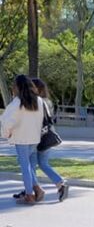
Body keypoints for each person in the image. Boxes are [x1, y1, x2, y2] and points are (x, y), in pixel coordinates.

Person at [0, 75, 45, 205]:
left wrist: (6, 134)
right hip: (34, 138)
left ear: (18, 87)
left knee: (25, 167)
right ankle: (37, 189)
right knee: (29, 166)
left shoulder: (18, 102)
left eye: (14, 85)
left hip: (21, 138)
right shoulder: (39, 101)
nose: (12, 87)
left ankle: (30, 195)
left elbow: (7, 121)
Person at [28, 78, 68, 202]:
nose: (30, 89)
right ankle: (60, 184)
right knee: (43, 164)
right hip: (46, 137)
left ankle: (32, 190)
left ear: (37, 89)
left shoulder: (37, 101)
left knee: (31, 165)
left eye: (32, 87)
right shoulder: (48, 101)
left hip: (36, 137)